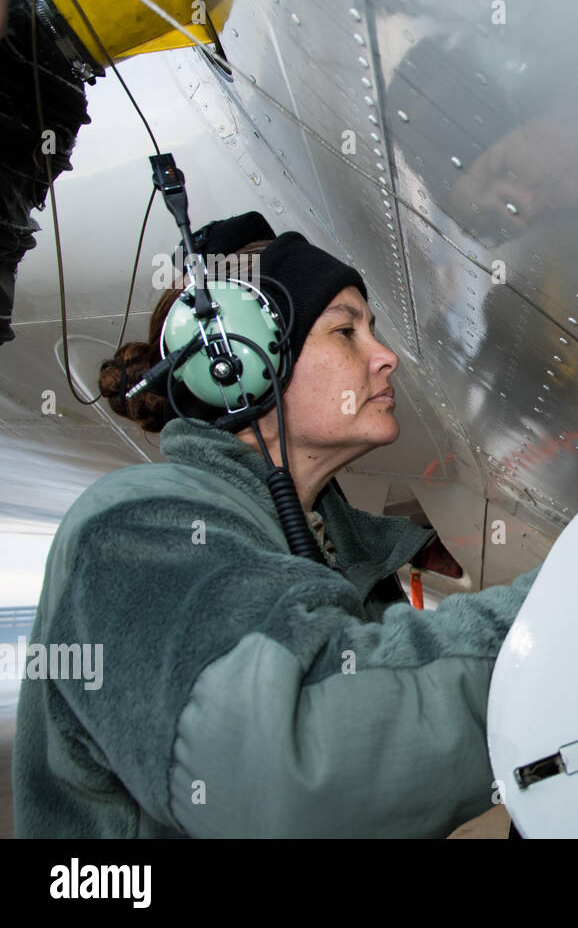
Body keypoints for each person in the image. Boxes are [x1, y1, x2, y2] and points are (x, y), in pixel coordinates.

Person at [13, 212, 539, 837]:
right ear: (240, 362)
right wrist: (569, 607)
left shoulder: (328, 547)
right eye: (347, 331)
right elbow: (298, 771)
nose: (387, 358)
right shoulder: (134, 528)